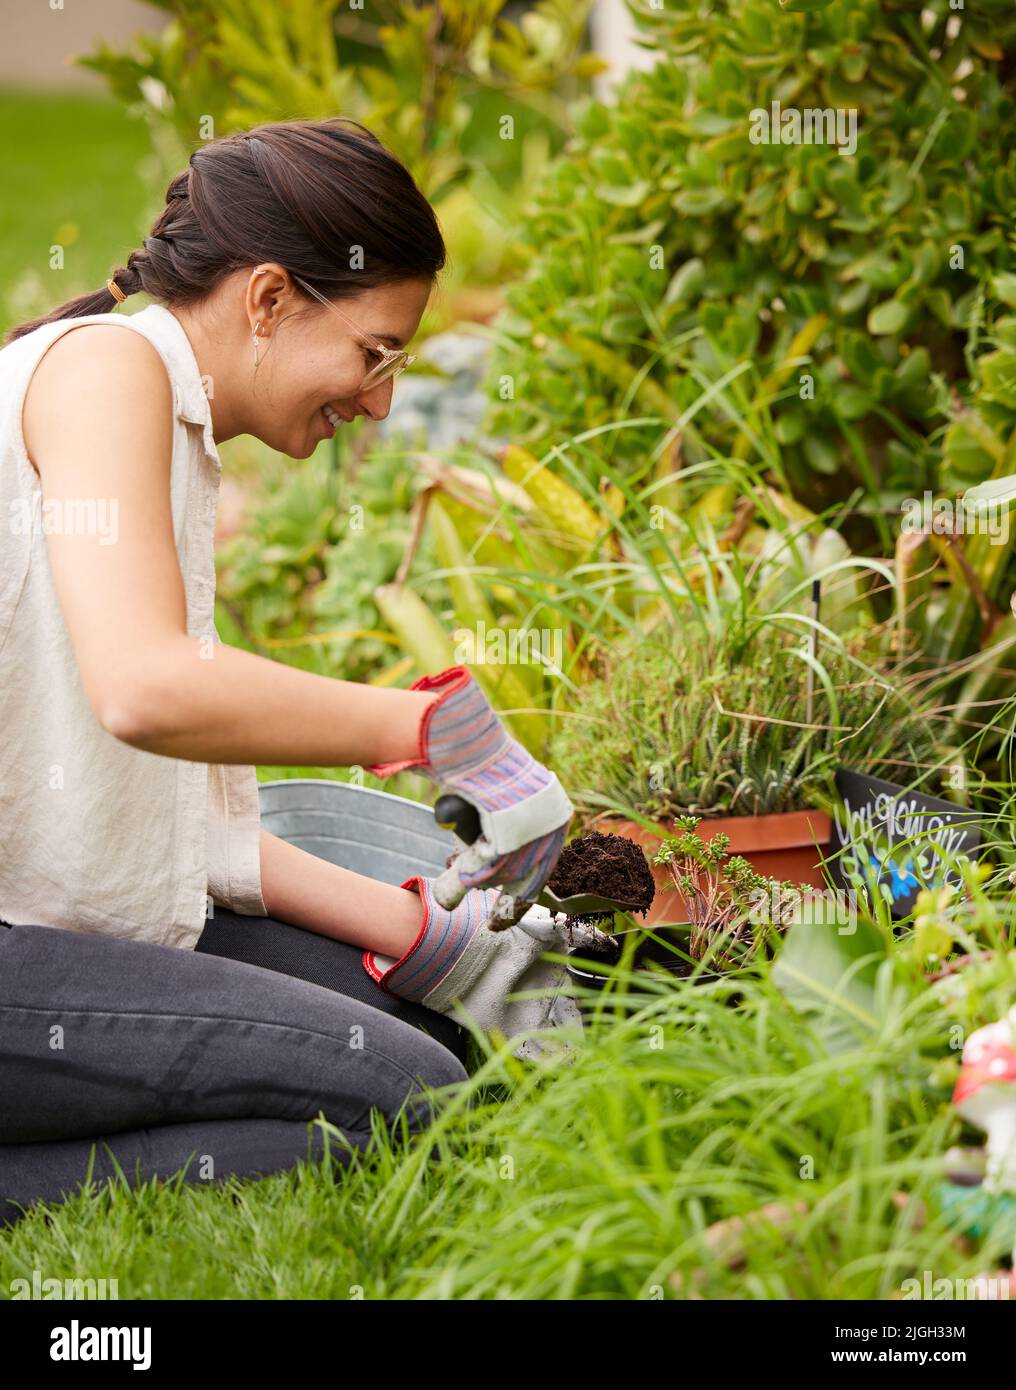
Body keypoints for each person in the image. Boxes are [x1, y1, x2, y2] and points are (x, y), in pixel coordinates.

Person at [0, 118, 578, 1228]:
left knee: (432, 1044)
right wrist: (435, 728)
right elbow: (147, 688)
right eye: (373, 354)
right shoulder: (107, 372)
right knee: (408, 1092)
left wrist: (433, 939)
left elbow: (173, 839)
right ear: (267, 300)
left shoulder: (168, 421)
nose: (378, 404)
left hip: (46, 921)